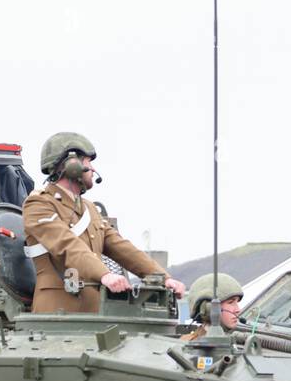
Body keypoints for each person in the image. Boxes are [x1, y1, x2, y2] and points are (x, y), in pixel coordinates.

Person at [23, 131, 184, 314]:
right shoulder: (38, 204)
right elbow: (67, 244)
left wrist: (162, 277)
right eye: (88, 162)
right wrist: (104, 275)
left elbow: (121, 247)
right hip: (57, 313)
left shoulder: (89, 209)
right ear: (72, 165)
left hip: (94, 313)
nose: (92, 169)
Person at [181, 273, 243, 340]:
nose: (238, 310)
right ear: (208, 308)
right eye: (230, 303)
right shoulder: (191, 346)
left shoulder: (232, 341)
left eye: (237, 302)